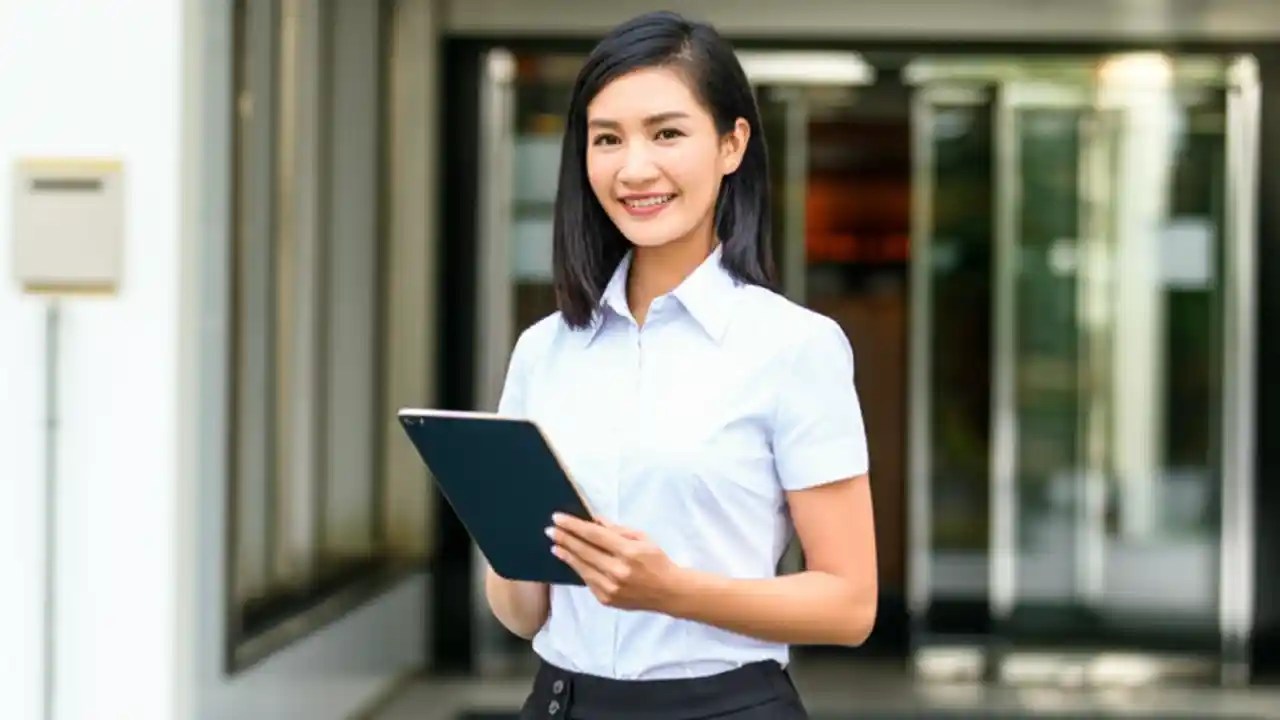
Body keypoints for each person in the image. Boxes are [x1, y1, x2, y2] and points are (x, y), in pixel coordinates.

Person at [486, 10, 877, 719]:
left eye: (667, 133)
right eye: (607, 139)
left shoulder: (795, 347)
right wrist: (502, 533)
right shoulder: (544, 349)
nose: (635, 168)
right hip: (559, 701)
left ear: (732, 144)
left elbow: (850, 603)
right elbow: (522, 611)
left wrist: (671, 590)